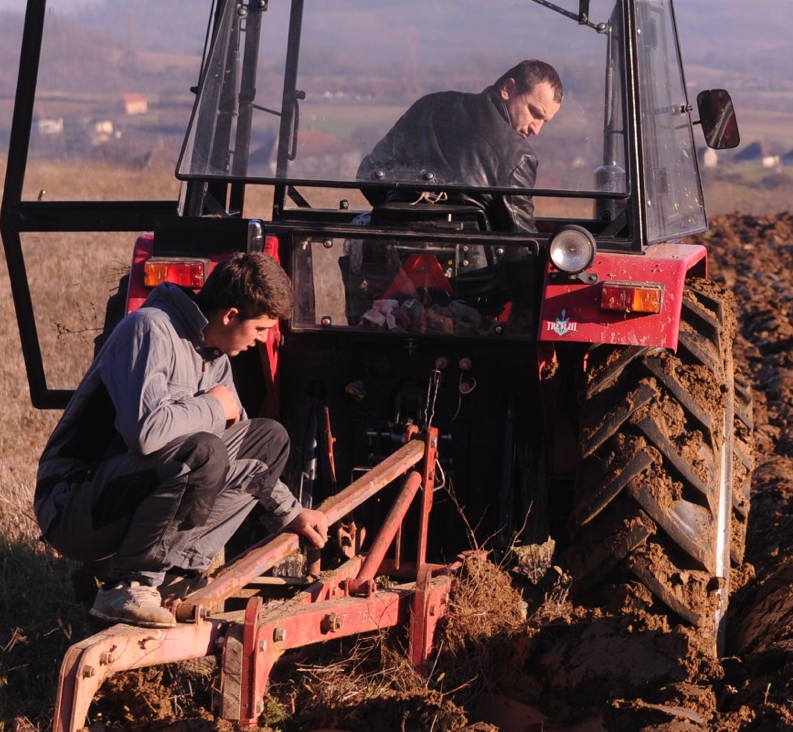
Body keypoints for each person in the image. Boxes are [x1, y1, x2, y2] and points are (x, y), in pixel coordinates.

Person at [34, 252, 330, 628]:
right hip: (74, 505)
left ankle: (175, 575)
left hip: (123, 494)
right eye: (259, 328)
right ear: (230, 316)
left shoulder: (215, 359)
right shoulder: (149, 330)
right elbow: (145, 433)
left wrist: (291, 513)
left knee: (268, 439)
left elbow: (241, 447)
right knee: (203, 452)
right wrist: (213, 406)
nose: (262, 339)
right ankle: (128, 586)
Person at [356, 59, 563, 232]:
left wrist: (400, 214)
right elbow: (519, 239)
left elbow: (369, 173)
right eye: (534, 113)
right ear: (508, 89)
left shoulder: (427, 106)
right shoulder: (518, 156)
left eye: (544, 121)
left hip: (392, 255)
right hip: (474, 268)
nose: (536, 129)